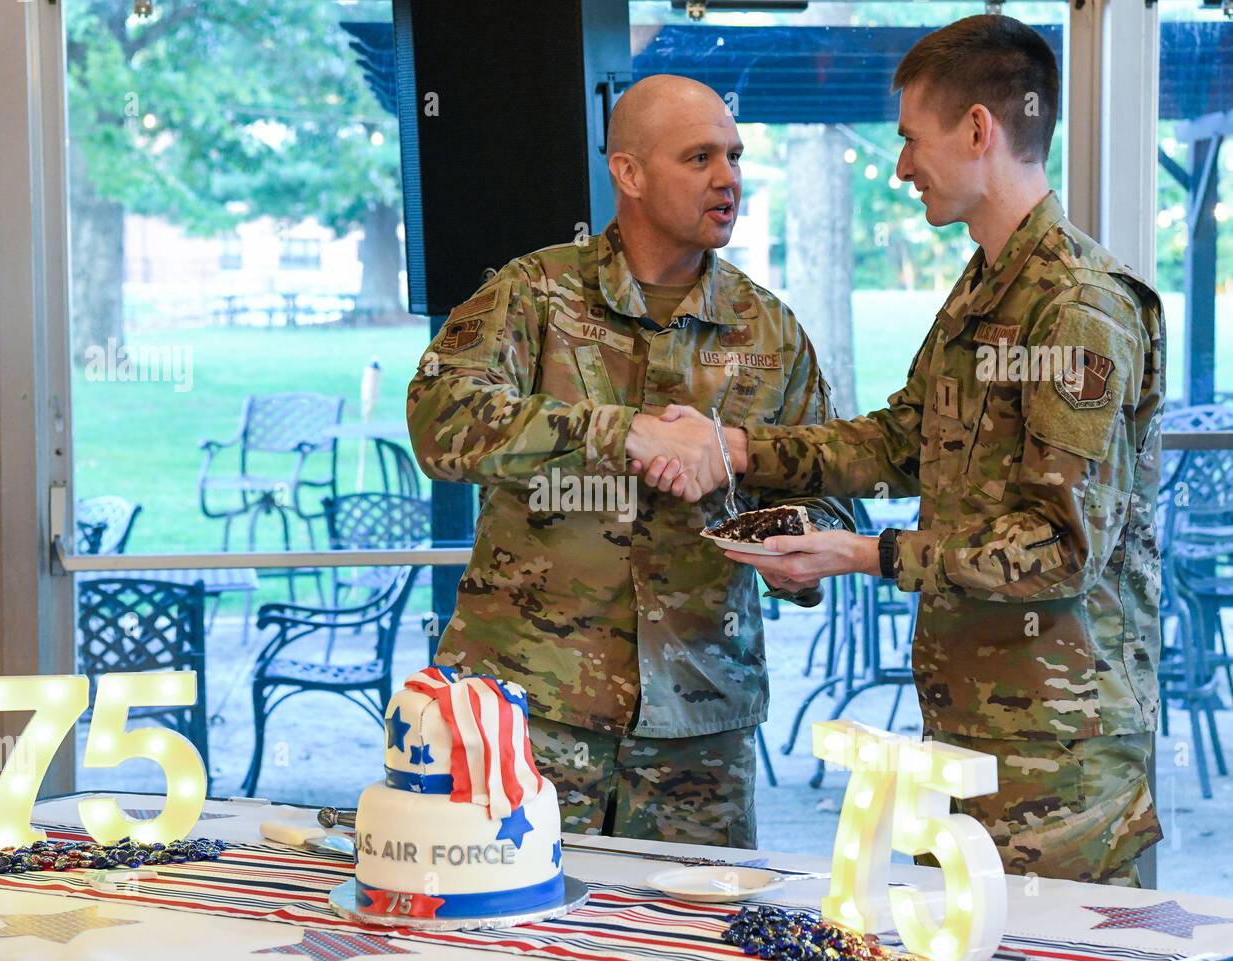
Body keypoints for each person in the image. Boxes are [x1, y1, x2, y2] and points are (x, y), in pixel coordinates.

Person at [652, 16, 1165, 884]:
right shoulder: (985, 290)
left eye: (909, 139)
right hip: (976, 727)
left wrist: (862, 553)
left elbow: (1061, 550)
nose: (899, 167)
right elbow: (900, 441)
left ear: (978, 130)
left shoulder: (1078, 307)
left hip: (1060, 754)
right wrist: (735, 446)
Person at [407, 75, 844, 847]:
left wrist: (794, 549)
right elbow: (440, 425)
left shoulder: (769, 331)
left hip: (699, 731)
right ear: (629, 173)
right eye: (700, 157)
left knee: (691, 956)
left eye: (735, 157)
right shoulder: (532, 295)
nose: (728, 179)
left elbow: (828, 490)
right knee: (512, 952)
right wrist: (621, 432)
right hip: (528, 717)